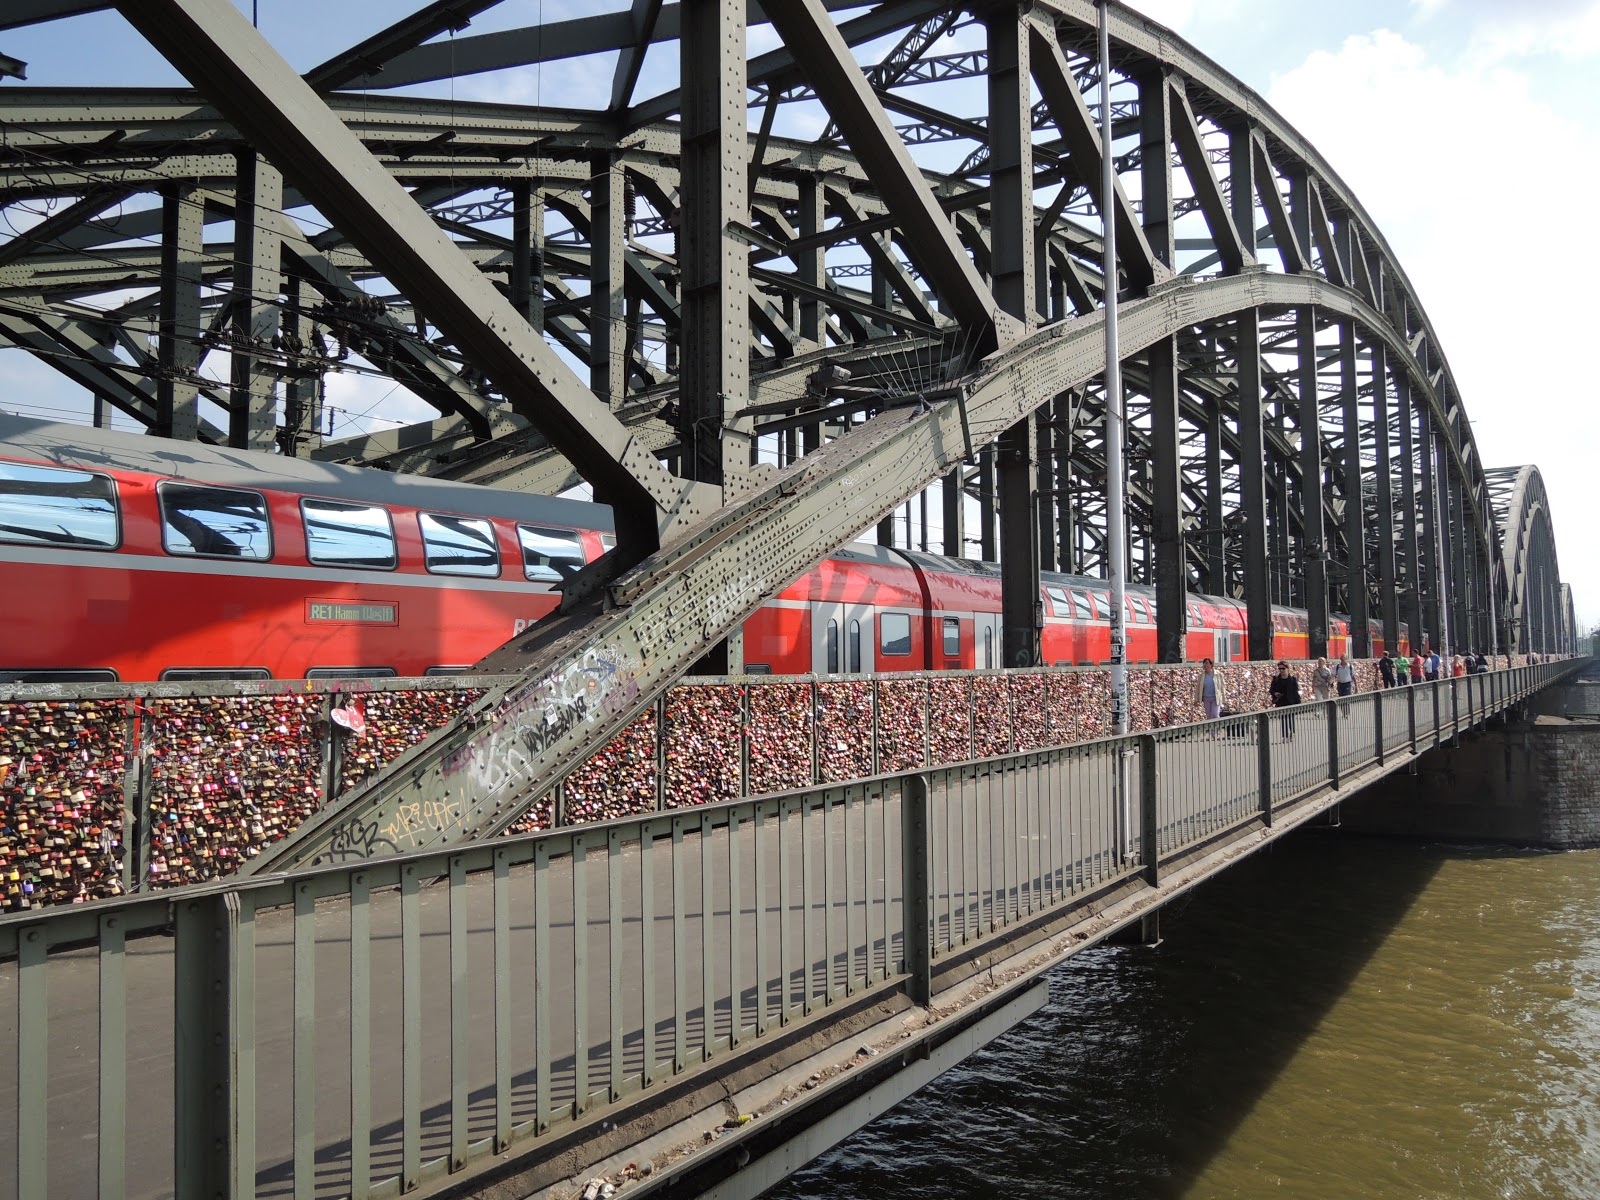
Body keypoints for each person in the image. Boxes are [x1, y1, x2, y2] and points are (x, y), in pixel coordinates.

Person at [1270, 661, 1301, 738]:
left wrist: (1298, 703)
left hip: (1291, 702)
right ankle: (1285, 735)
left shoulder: (1293, 680)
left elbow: (1295, 692)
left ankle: (1292, 732)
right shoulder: (1276, 679)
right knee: (1283, 719)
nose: (1281, 670)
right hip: (1281, 702)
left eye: (1283, 669)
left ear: (1287, 669)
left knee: (1291, 718)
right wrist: (1275, 693)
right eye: (1279, 669)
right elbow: (1271, 690)